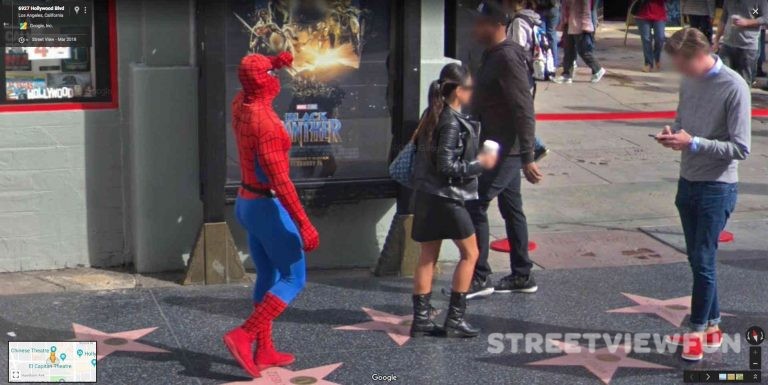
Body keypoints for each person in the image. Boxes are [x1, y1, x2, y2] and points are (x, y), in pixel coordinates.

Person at [656, 28, 751, 362]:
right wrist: (673, 134)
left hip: (717, 187)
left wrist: (693, 143)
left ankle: (697, 331)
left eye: (683, 65)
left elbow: (741, 148)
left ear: (700, 55)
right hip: (688, 180)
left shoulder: (734, 86)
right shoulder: (689, 81)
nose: (680, 72)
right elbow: (683, 121)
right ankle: (712, 326)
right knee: (698, 260)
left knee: (704, 260)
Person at [224, 52, 320, 378]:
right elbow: (282, 182)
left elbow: (253, 76)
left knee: (267, 276)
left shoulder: (241, 103)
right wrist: (304, 225)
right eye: (271, 74)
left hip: (246, 202)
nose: (276, 79)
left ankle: (264, 350)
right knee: (294, 278)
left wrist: (274, 61)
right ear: (265, 81)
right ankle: (244, 335)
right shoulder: (266, 126)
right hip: (267, 205)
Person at [410, 64, 498, 339]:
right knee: (470, 254)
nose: (472, 93)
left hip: (425, 195)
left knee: (427, 256)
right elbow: (446, 165)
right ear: (458, 91)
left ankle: (421, 321)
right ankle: (455, 320)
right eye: (469, 88)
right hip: (446, 198)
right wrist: (479, 164)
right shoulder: (449, 121)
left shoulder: (431, 115)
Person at [465, 0, 543, 299]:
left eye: (480, 22)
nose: (475, 28)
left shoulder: (507, 58)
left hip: (504, 149)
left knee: (476, 203)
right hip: (494, 143)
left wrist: (527, 156)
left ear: (497, 25)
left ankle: (479, 276)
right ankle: (522, 274)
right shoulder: (493, 54)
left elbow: (524, 108)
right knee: (512, 208)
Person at [505, 0, 552, 161]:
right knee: (517, 112)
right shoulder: (534, 19)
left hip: (520, 75)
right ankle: (532, 147)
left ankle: (535, 146)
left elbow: (515, 51)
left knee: (515, 113)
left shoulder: (519, 21)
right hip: (528, 73)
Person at [714, 0, 768, 85]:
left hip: (747, 47)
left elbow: (765, 18)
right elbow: (723, 19)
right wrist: (716, 40)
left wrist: (747, 22)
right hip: (727, 44)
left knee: (744, 81)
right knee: (722, 77)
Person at [552, 0, 606, 84]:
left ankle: (598, 69)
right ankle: (566, 74)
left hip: (579, 24)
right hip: (568, 22)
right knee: (568, 50)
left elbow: (586, 8)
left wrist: (585, 24)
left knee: (583, 51)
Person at [635, 0, 667, 72]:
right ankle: (648, 63)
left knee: (660, 38)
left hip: (659, 14)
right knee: (646, 39)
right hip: (642, 14)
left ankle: (657, 57)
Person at [535, 0, 561, 69]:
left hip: (541, 8)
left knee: (541, 35)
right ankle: (554, 63)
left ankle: (542, 61)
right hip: (553, 7)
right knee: (552, 35)